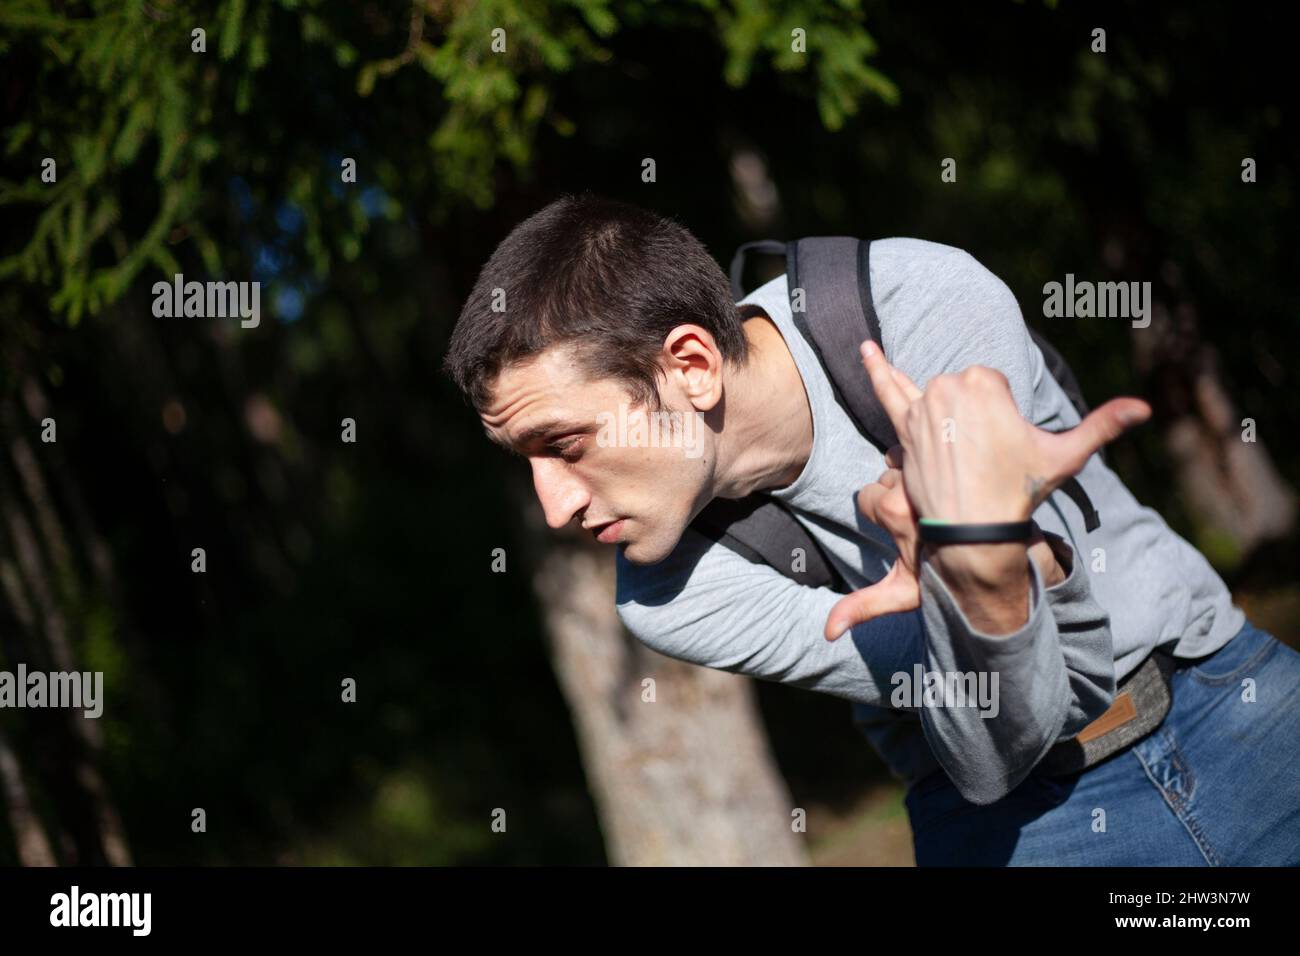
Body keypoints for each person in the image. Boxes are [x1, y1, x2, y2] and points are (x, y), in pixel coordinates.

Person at [443, 193, 1300, 865]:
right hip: (1018, 832)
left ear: (691, 367)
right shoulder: (669, 595)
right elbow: (1004, 741)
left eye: (564, 444)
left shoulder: (913, 304)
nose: (554, 507)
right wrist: (983, 566)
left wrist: (970, 572)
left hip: (1229, 707)